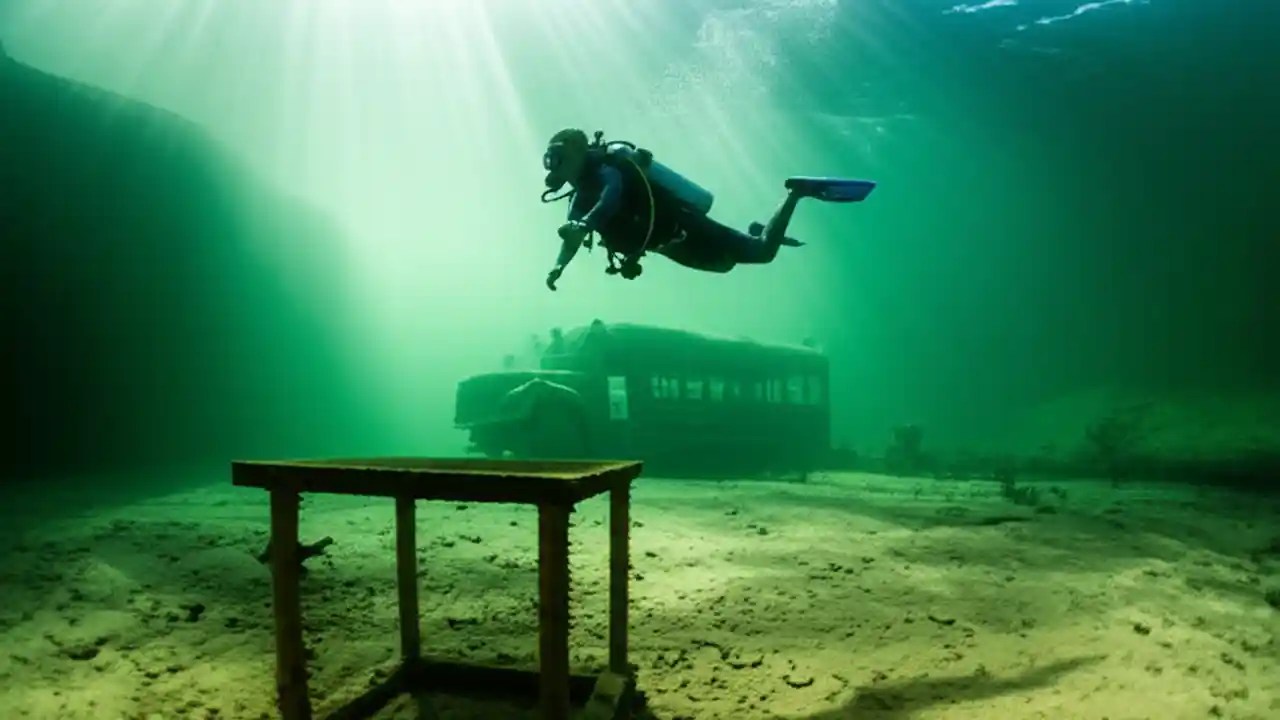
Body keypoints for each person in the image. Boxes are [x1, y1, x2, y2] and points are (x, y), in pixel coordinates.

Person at [540, 128, 875, 291]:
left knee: (761, 254)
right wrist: (558, 268)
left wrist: (586, 224)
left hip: (685, 227)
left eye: (561, 156)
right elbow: (570, 237)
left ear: (581, 151)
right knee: (730, 262)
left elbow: (611, 196)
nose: (556, 166)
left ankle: (796, 193)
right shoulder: (579, 198)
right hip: (670, 246)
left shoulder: (607, 173)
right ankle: (760, 227)